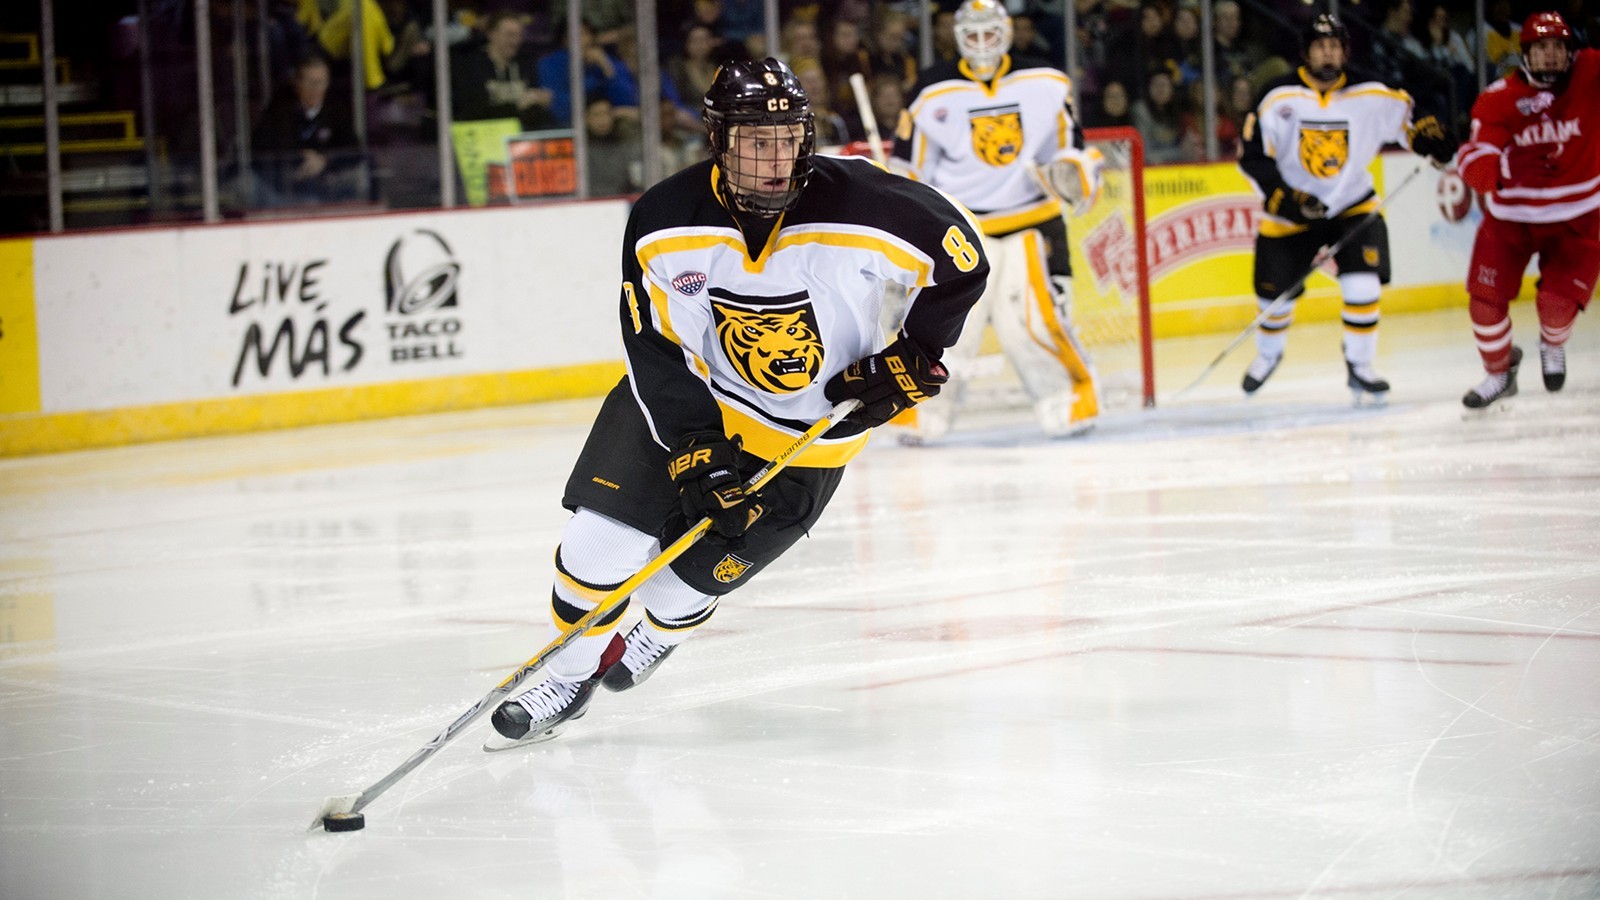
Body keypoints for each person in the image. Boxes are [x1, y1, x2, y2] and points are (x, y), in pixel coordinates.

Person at [487, 58, 989, 744]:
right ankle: (568, 677)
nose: (776, 160)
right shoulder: (664, 218)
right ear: (719, 141)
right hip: (680, 410)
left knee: (678, 589)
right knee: (594, 554)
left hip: (808, 436)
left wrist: (919, 349)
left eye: (788, 139)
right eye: (756, 140)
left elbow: (964, 262)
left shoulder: (869, 203)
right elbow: (654, 345)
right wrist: (697, 448)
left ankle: (661, 630)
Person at [887, 0, 1103, 440]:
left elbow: (1070, 147)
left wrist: (1073, 170)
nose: (982, 44)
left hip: (1032, 223)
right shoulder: (931, 91)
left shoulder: (1046, 82)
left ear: (1006, 33)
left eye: (990, 34)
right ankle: (921, 415)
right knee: (947, 330)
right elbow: (910, 169)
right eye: (973, 35)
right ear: (959, 38)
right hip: (959, 231)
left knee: (1034, 324)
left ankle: (1069, 404)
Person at [1236, 13, 1456, 402]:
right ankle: (1269, 355)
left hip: (1352, 204)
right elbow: (1252, 157)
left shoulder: (1369, 91)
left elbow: (1410, 118)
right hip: (1291, 211)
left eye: (1335, 47)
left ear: (1345, 53)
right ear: (1305, 53)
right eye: (1320, 47)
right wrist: (1288, 199)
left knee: (1362, 284)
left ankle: (1360, 364)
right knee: (1272, 300)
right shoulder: (1277, 95)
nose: (1328, 54)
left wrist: (1429, 138)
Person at [1456, 11, 1599, 409]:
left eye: (1558, 47)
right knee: (1484, 303)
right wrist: (1503, 168)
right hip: (1511, 220)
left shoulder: (1591, 74)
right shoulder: (1499, 98)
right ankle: (1499, 374)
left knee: (1556, 308)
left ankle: (1552, 343)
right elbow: (1473, 159)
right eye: (1541, 48)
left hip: (1578, 214)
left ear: (1572, 52)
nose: (1550, 55)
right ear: (1525, 54)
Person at [252, 55, 365, 206]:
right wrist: (298, 156)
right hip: (286, 188)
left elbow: (353, 149)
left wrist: (325, 160)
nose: (315, 88)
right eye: (310, 82)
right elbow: (261, 147)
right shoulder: (279, 109)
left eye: (321, 82)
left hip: (330, 187)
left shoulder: (337, 109)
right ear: (297, 83)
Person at [450, 10, 555, 130]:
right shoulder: (469, 65)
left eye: (519, 35)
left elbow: (532, 111)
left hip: (519, 133)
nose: (516, 41)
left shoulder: (525, 63)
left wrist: (539, 101)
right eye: (510, 35)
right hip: (482, 133)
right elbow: (471, 111)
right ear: (491, 34)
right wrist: (517, 106)